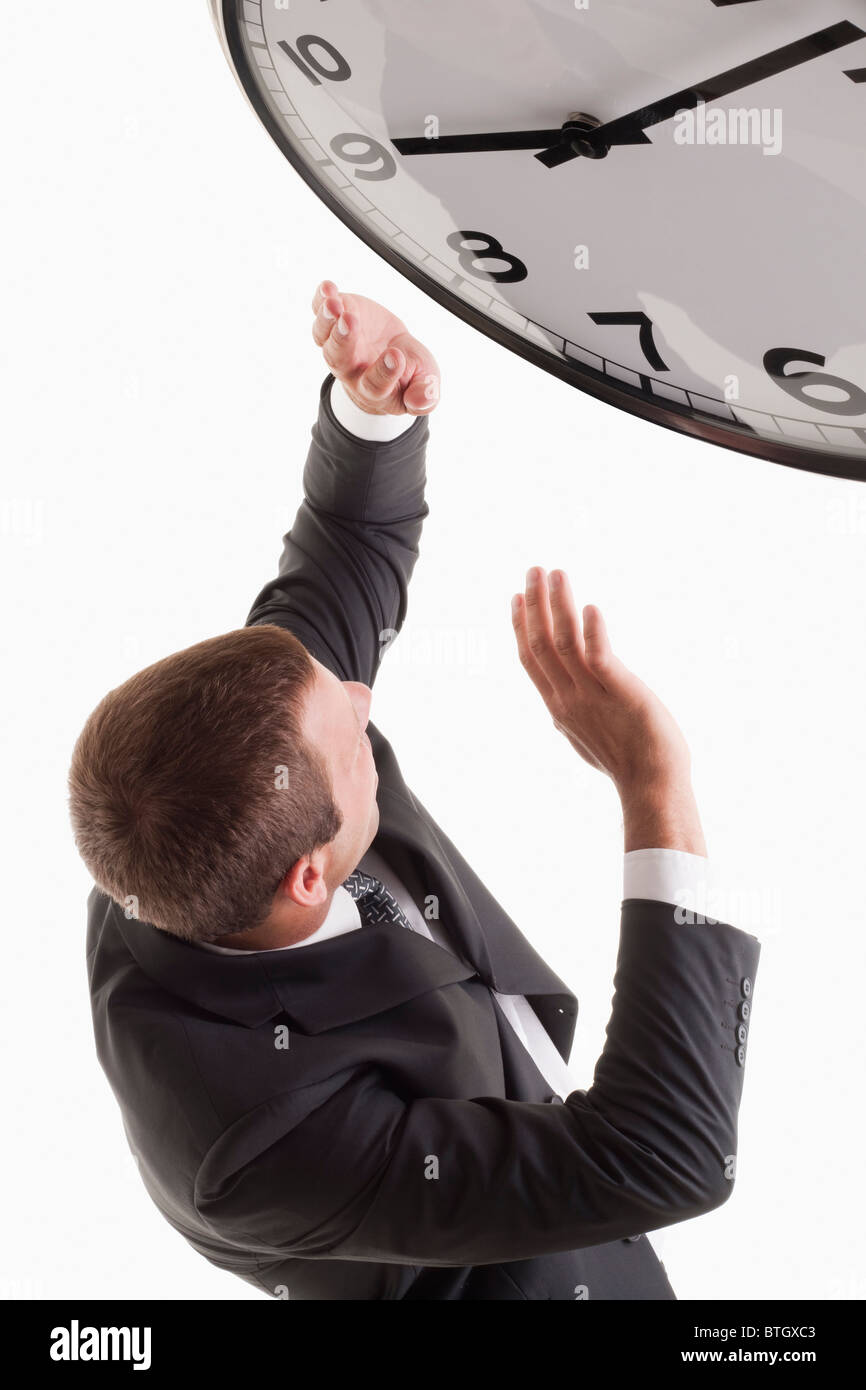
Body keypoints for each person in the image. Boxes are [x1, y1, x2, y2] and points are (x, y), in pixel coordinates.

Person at [69, 280, 760, 1301]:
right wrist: (652, 783)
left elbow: (335, 567)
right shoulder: (258, 1144)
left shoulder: (197, 805)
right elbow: (664, 1155)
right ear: (308, 876)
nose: (360, 691)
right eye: (350, 733)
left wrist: (373, 408)